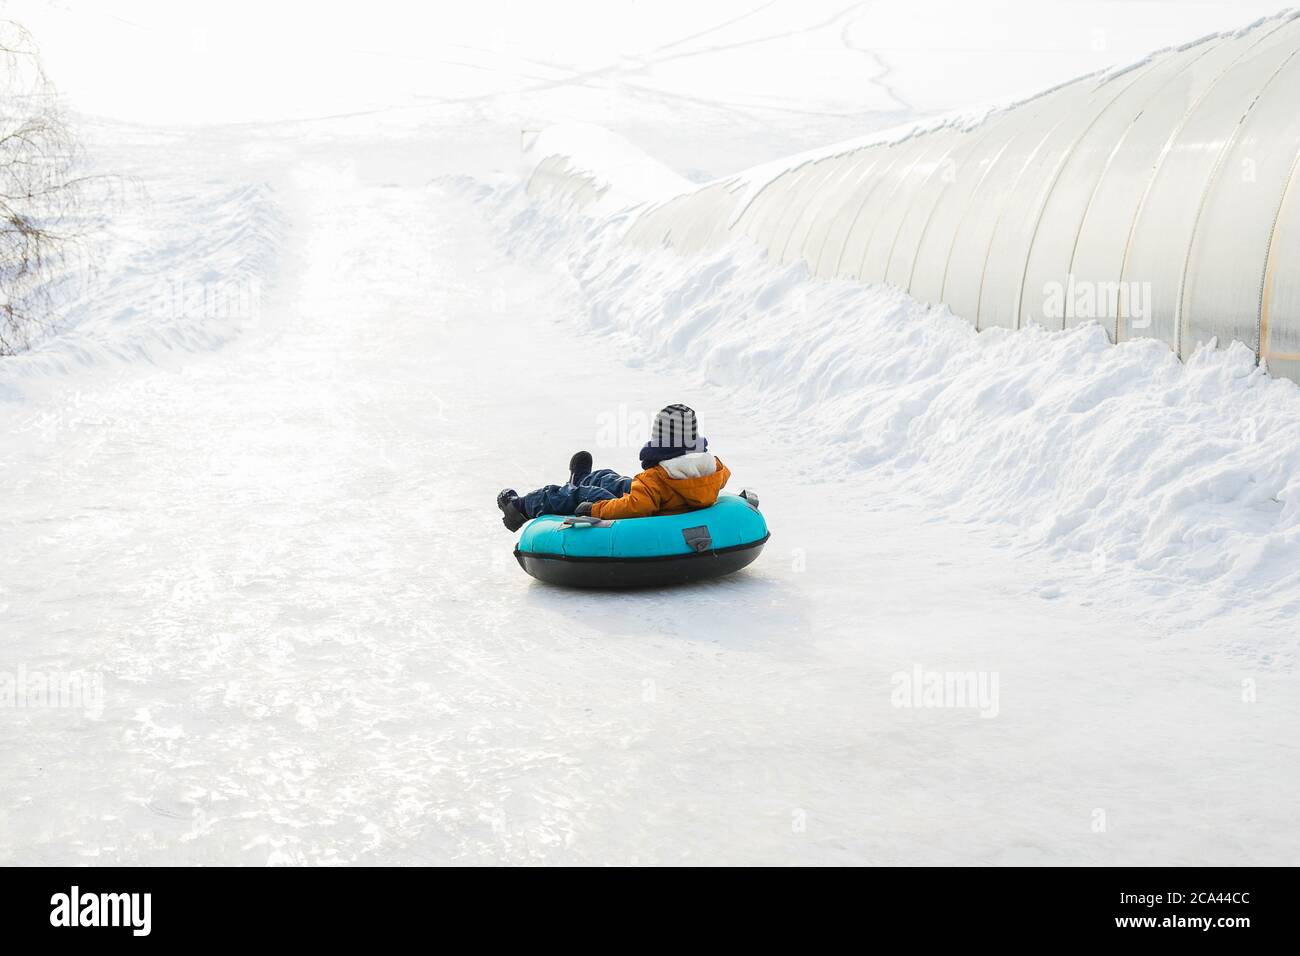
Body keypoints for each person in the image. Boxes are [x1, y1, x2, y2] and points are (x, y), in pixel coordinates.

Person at [497, 404, 731, 531]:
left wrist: (594, 510)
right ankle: (583, 478)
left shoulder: (657, 477)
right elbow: (655, 491)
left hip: (651, 509)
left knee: (585, 495)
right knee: (614, 480)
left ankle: (520, 507)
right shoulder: (713, 469)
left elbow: (636, 507)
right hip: (666, 496)